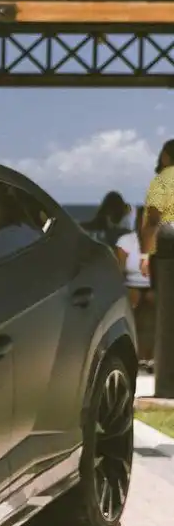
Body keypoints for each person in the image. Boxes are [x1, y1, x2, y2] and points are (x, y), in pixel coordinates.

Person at [116, 207, 154, 365]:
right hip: (131, 284)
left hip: (156, 285)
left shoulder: (162, 240)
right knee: (134, 299)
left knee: (154, 301)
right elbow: (119, 270)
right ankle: (136, 355)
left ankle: (150, 356)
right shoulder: (126, 241)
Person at [141, 140, 174, 258]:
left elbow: (153, 219)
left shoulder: (161, 180)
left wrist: (145, 255)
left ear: (165, 156)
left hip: (166, 244)